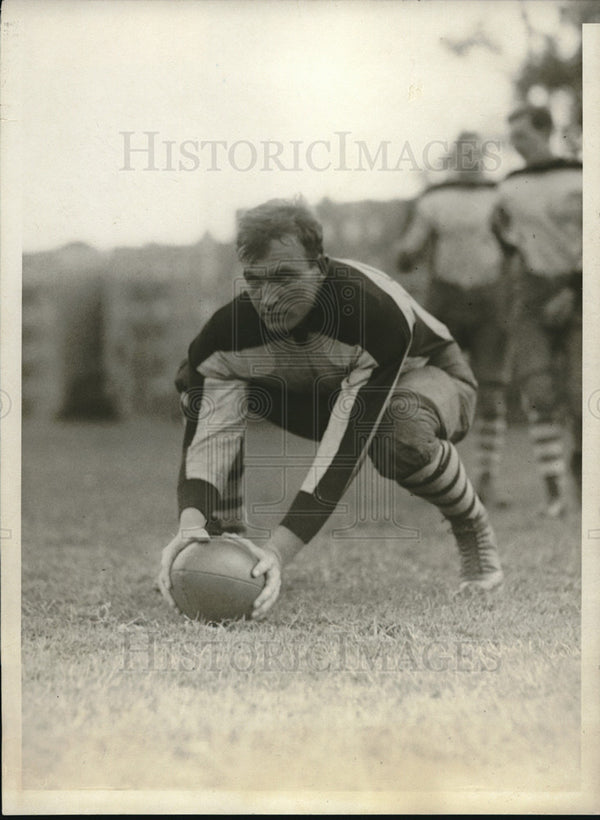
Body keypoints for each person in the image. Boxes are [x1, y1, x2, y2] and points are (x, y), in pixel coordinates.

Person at [158, 197, 504, 619]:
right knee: (196, 378)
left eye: (284, 277)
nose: (268, 298)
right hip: (324, 391)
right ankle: (224, 534)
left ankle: (471, 527)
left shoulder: (370, 311)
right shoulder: (227, 331)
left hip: (428, 376)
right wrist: (192, 521)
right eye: (254, 280)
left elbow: (344, 451)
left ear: (320, 268)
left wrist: (279, 553)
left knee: (398, 433)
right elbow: (212, 431)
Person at [395, 132, 512, 508]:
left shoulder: (501, 195)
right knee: (438, 385)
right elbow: (410, 249)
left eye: (476, 153)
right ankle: (442, 477)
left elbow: (517, 244)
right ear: (453, 157)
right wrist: (406, 252)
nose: (470, 160)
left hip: (490, 300)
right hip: (445, 302)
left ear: (484, 157)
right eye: (463, 153)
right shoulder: (434, 200)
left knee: (491, 390)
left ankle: (489, 477)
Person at [492, 105, 582, 517]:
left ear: (545, 131)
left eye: (524, 137)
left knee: (584, 394)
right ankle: (553, 493)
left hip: (580, 287)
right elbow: (506, 233)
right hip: (532, 291)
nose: (518, 146)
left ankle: (582, 467)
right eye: (514, 140)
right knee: (538, 390)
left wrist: (573, 291)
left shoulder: (580, 177)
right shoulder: (509, 186)